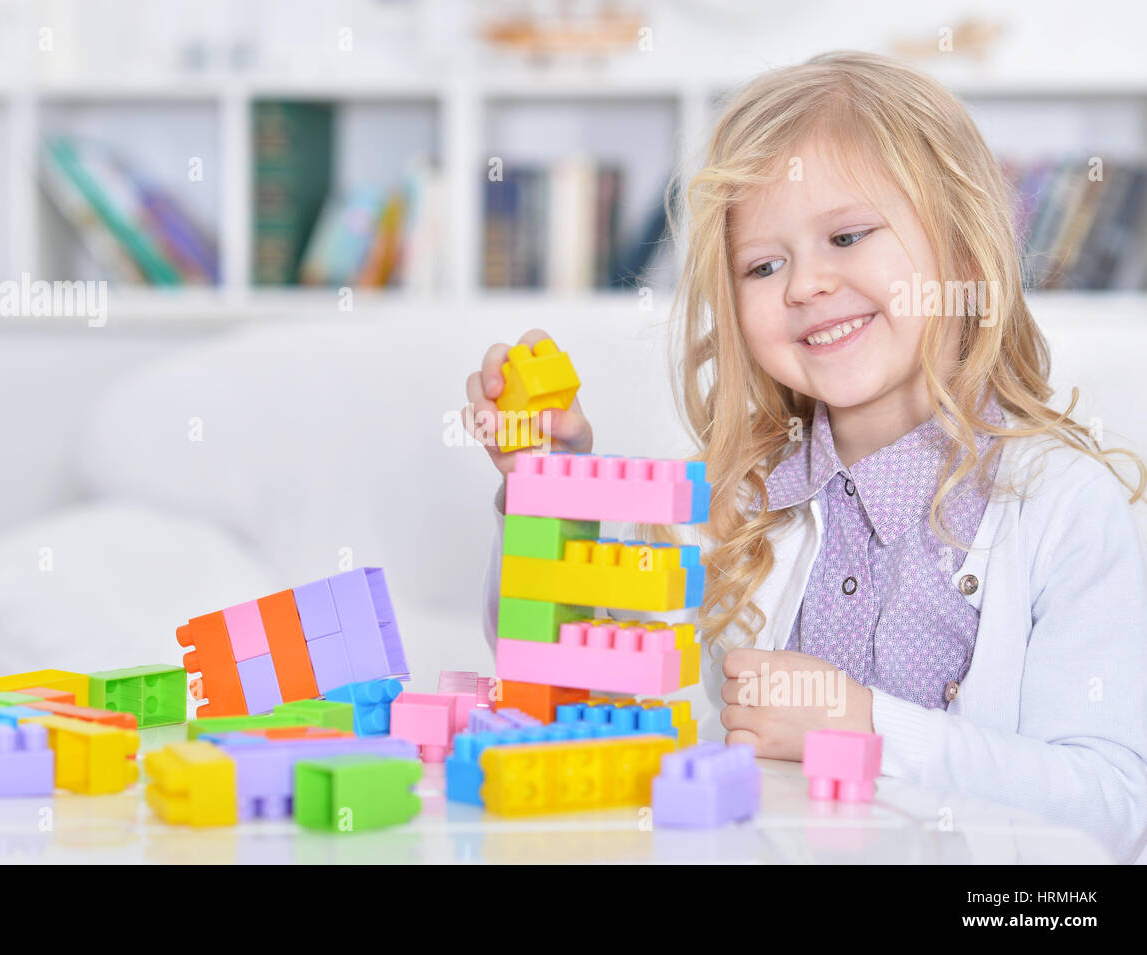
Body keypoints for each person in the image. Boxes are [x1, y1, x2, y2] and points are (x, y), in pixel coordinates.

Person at [464, 51, 1147, 863]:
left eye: (847, 235)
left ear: (963, 253)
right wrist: (553, 487)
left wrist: (862, 725)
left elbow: (1113, 806)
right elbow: (561, 668)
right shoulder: (738, 503)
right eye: (764, 264)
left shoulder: (1066, 507)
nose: (805, 285)